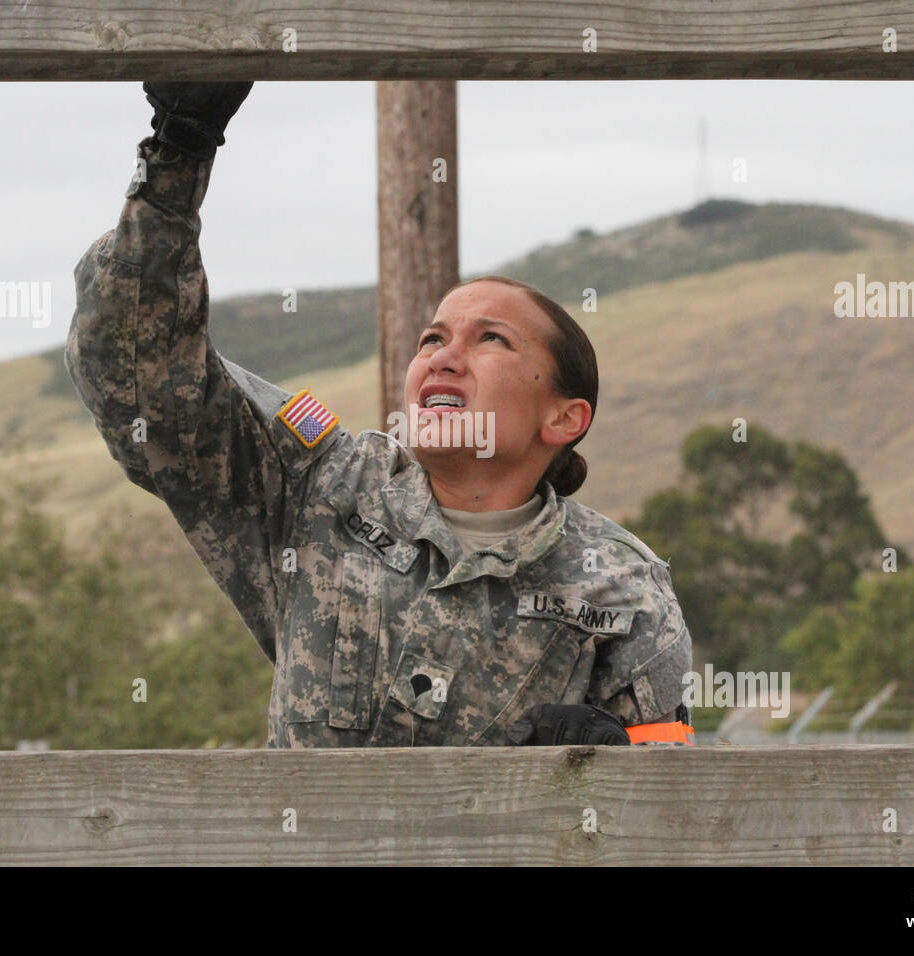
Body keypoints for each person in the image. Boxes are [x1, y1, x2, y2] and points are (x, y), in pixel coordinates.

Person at [65, 81, 694, 749]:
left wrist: (608, 764)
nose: (443, 357)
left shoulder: (624, 588)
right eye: (432, 339)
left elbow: (670, 802)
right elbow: (140, 380)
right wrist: (177, 151)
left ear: (564, 419)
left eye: (490, 339)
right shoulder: (322, 487)